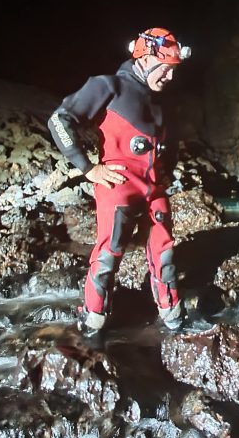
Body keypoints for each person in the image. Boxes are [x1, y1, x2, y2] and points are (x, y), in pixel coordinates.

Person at [48, 27, 191, 335]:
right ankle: (94, 318)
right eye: (165, 69)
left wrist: (168, 169)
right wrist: (88, 168)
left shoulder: (162, 100)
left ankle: (173, 315)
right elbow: (59, 120)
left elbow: (172, 141)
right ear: (145, 59)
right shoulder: (108, 86)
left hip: (154, 187)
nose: (170, 77)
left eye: (173, 70)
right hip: (119, 186)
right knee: (109, 252)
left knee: (164, 250)